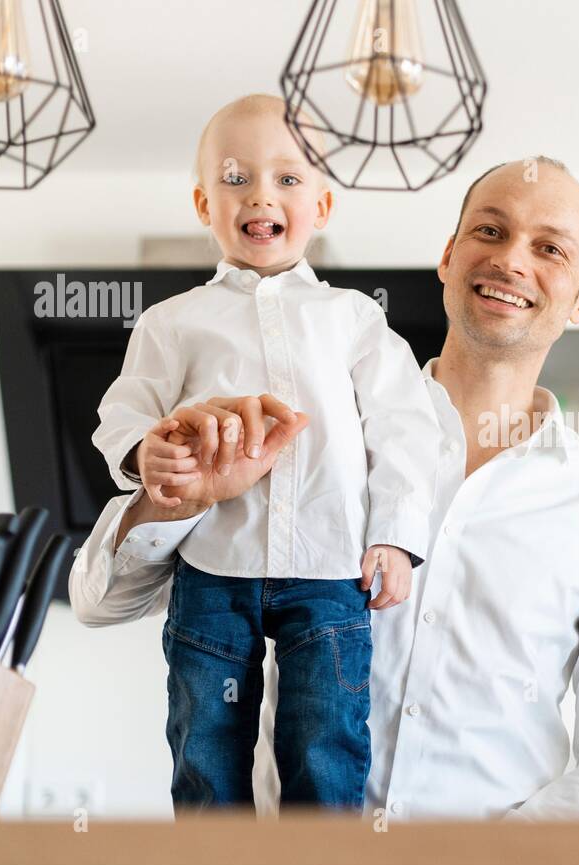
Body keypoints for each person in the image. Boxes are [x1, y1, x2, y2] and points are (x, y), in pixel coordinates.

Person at [70, 156, 579, 821]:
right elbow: (99, 601)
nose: (510, 261)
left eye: (550, 248)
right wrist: (181, 498)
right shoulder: (305, 430)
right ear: (448, 257)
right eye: (490, 231)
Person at [89, 94, 439, 812]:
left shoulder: (354, 320)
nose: (261, 196)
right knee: (203, 741)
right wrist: (143, 455)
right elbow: (124, 413)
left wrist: (397, 539)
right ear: (202, 203)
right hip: (213, 570)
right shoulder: (173, 322)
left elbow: (404, 429)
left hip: (332, 568)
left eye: (287, 178)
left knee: (325, 738)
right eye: (235, 178)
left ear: (324, 204)